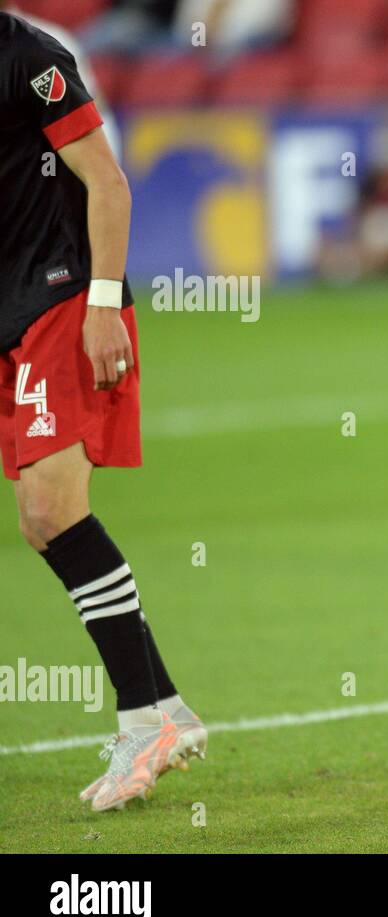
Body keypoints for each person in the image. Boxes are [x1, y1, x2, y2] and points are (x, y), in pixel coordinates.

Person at [0, 12, 206, 812]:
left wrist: (104, 305)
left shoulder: (32, 58)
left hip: (62, 300)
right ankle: (167, 707)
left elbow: (108, 182)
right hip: (11, 315)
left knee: (53, 508)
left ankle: (139, 719)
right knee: (40, 521)